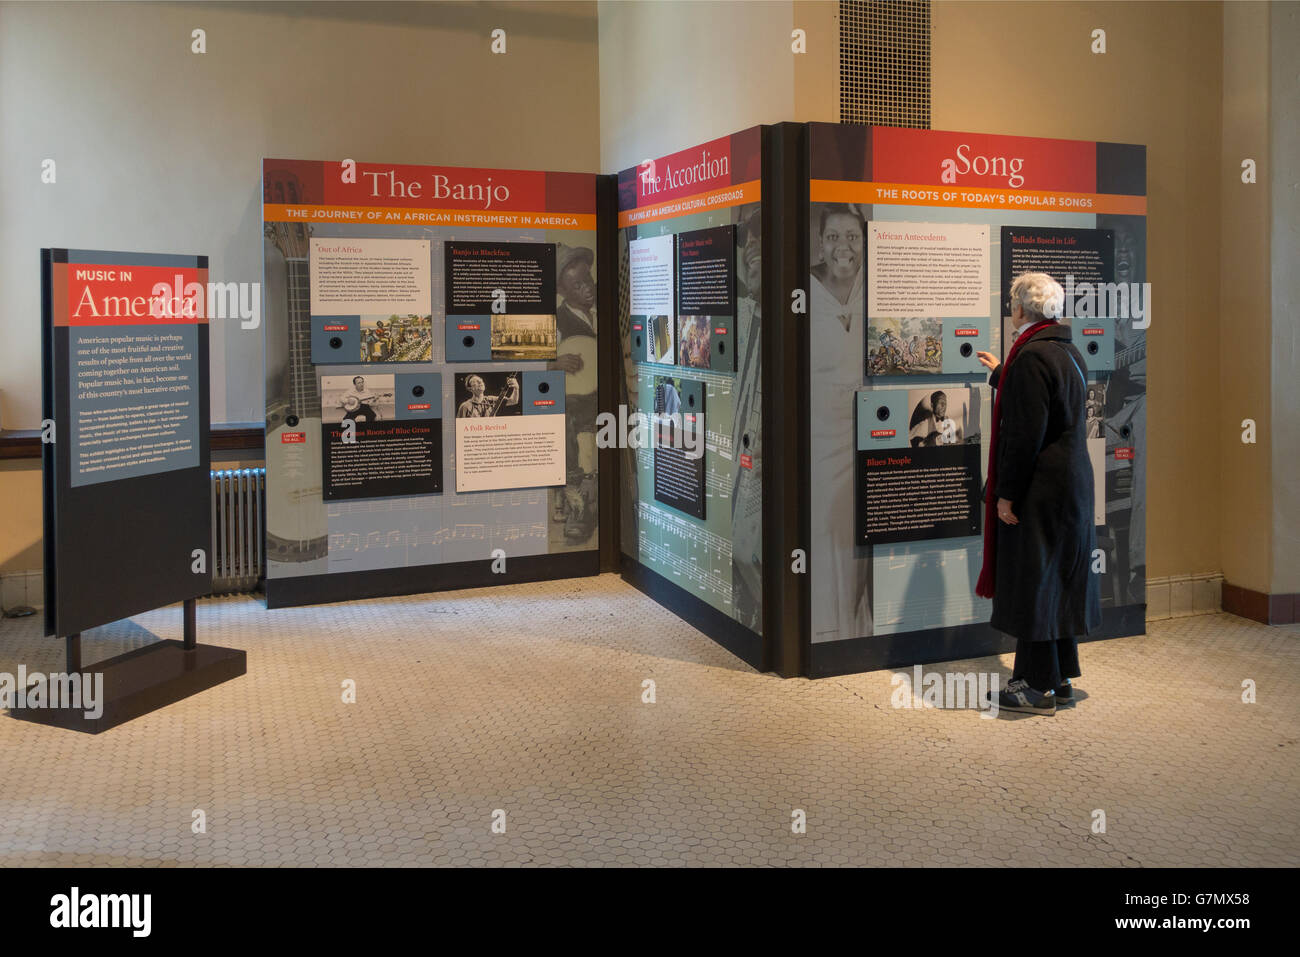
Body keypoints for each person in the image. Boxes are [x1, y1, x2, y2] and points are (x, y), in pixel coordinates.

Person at [975, 272, 1101, 716]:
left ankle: (1032, 687)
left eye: (1012, 304)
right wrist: (1001, 377)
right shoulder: (1066, 351)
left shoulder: (1030, 358)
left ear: (1020, 310)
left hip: (1041, 490)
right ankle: (1060, 678)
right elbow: (1045, 403)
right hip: (1069, 486)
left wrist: (1005, 495)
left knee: (1035, 583)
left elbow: (1024, 435)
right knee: (1055, 581)